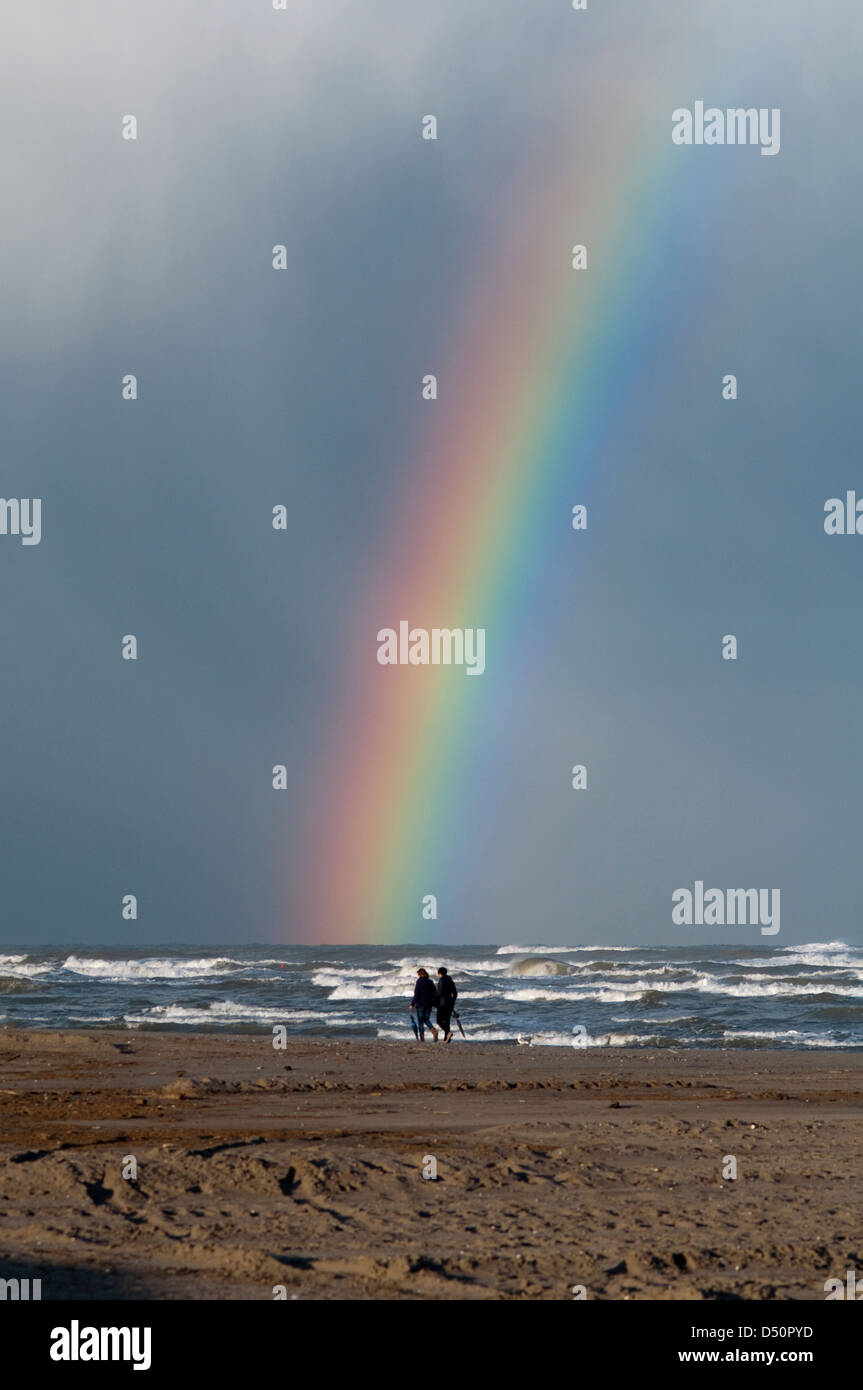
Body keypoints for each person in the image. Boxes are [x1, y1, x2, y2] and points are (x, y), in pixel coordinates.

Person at [409, 968, 438, 1042]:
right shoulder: (430, 982)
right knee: (426, 1019)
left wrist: (412, 1004)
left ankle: (422, 1038)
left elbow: (417, 994)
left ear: (419, 974)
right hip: (429, 1004)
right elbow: (434, 993)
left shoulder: (419, 982)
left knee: (421, 1021)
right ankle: (433, 1030)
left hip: (420, 1004)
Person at [435, 966, 458, 1043]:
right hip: (450, 1003)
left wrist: (432, 996)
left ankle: (448, 1033)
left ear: (439, 973)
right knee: (447, 1021)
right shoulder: (451, 981)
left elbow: (439, 993)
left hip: (442, 1003)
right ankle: (446, 1039)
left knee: (439, 1021)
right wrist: (452, 1002)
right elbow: (455, 993)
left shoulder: (441, 981)